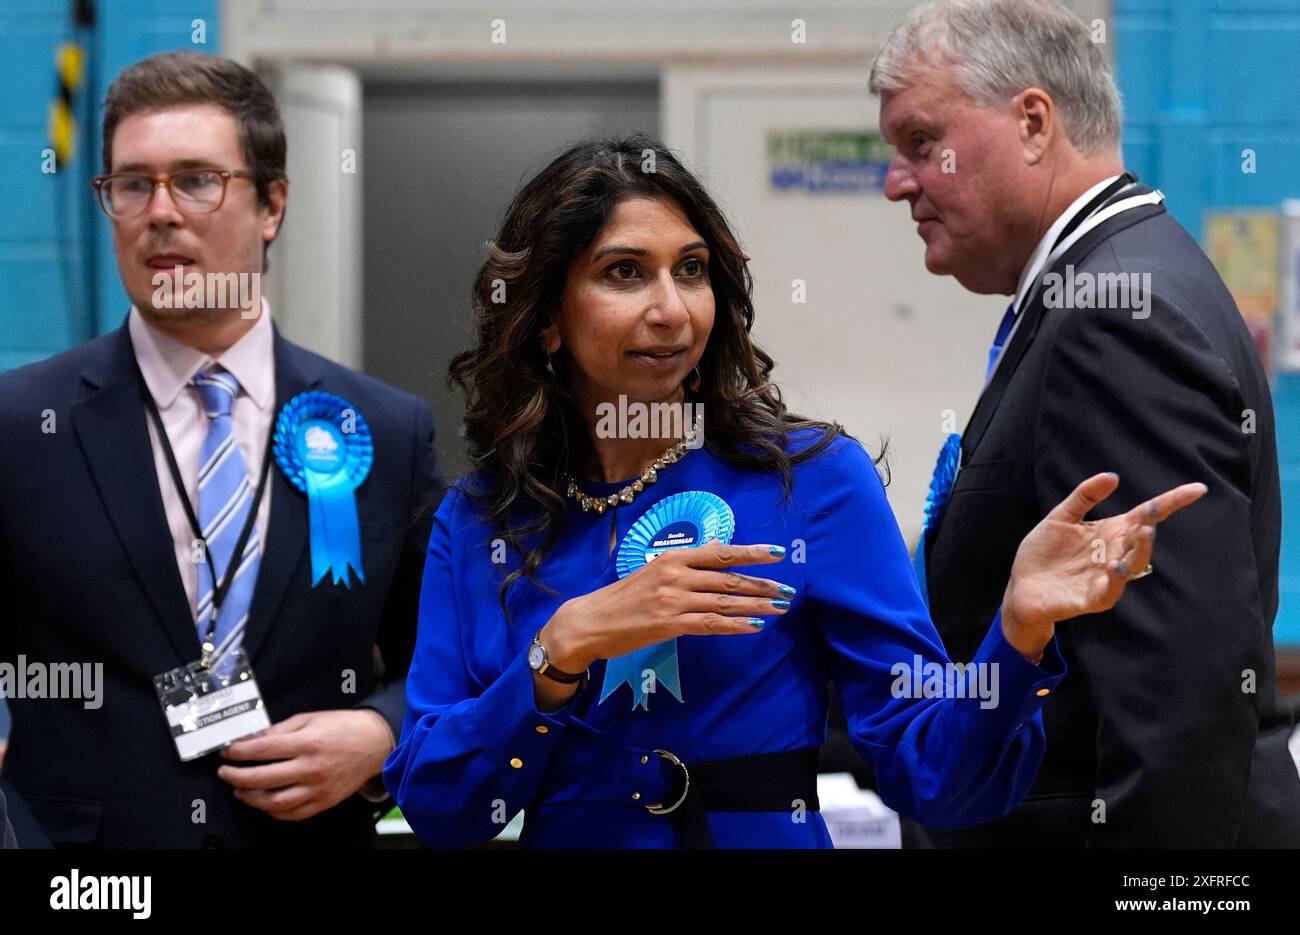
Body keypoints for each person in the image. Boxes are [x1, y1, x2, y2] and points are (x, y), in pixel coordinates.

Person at [383, 135, 1203, 848]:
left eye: (692, 270)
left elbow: (937, 780)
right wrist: (557, 652)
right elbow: (442, 806)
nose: (671, 309)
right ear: (548, 319)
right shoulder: (481, 516)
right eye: (624, 273)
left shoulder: (810, 478)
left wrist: (1017, 634)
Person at [871, 0, 1300, 847]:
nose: (897, 181)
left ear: (1034, 122)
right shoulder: (1108, 281)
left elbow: (1182, 693)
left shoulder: (1114, 314)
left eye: (924, 142)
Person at [0, 51, 441, 847]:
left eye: (197, 179)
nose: (159, 211)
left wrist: (381, 732)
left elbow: (447, 657)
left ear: (272, 204)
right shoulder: (22, 423)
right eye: (132, 184)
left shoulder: (384, 428)